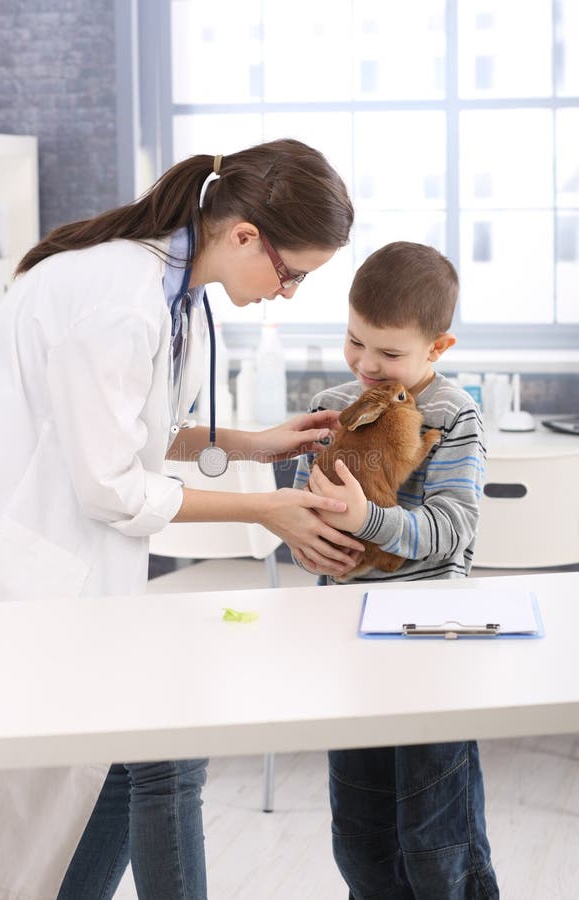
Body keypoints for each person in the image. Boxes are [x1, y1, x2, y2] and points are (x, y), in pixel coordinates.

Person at [0, 139, 366, 900]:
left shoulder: (168, 288)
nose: (289, 294)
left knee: (150, 759)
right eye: (292, 274)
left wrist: (254, 444)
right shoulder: (119, 302)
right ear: (245, 236)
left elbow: (138, 428)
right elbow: (114, 487)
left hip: (73, 579)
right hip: (28, 582)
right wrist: (269, 510)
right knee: (159, 754)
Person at [292, 241, 499, 899]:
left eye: (388, 352)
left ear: (438, 347)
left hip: (432, 642)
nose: (365, 365)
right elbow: (303, 511)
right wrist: (309, 544)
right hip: (347, 638)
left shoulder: (453, 414)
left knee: (438, 837)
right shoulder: (334, 404)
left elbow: (453, 529)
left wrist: (368, 521)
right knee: (359, 835)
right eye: (355, 341)